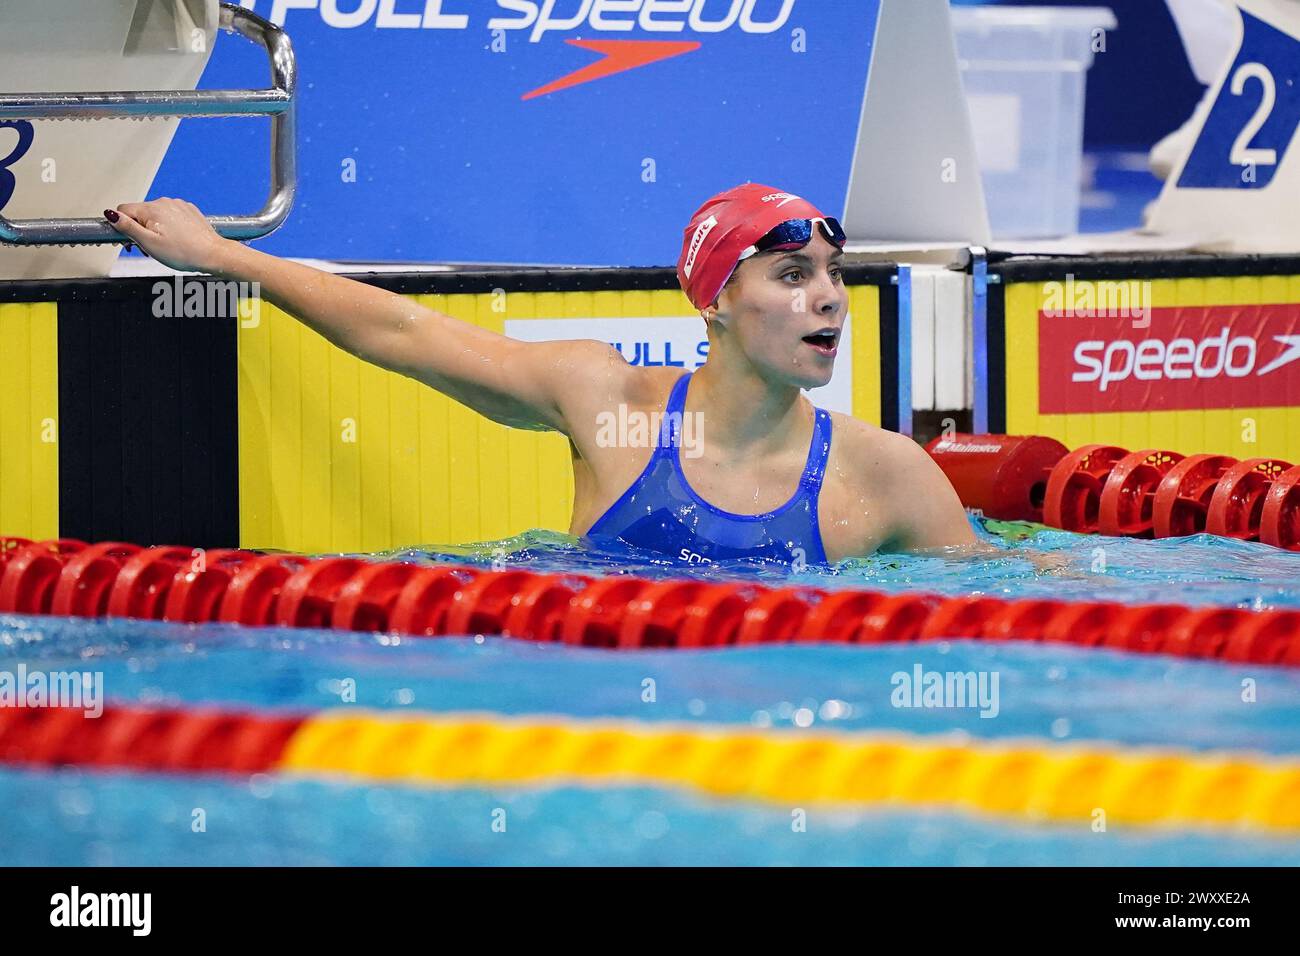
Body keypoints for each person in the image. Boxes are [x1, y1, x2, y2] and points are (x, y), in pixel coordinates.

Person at [105, 182, 979, 565]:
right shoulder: (606, 401)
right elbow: (402, 330)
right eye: (793, 277)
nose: (830, 298)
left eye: (834, 274)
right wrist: (220, 255)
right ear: (714, 300)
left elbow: (992, 621)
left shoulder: (886, 475)